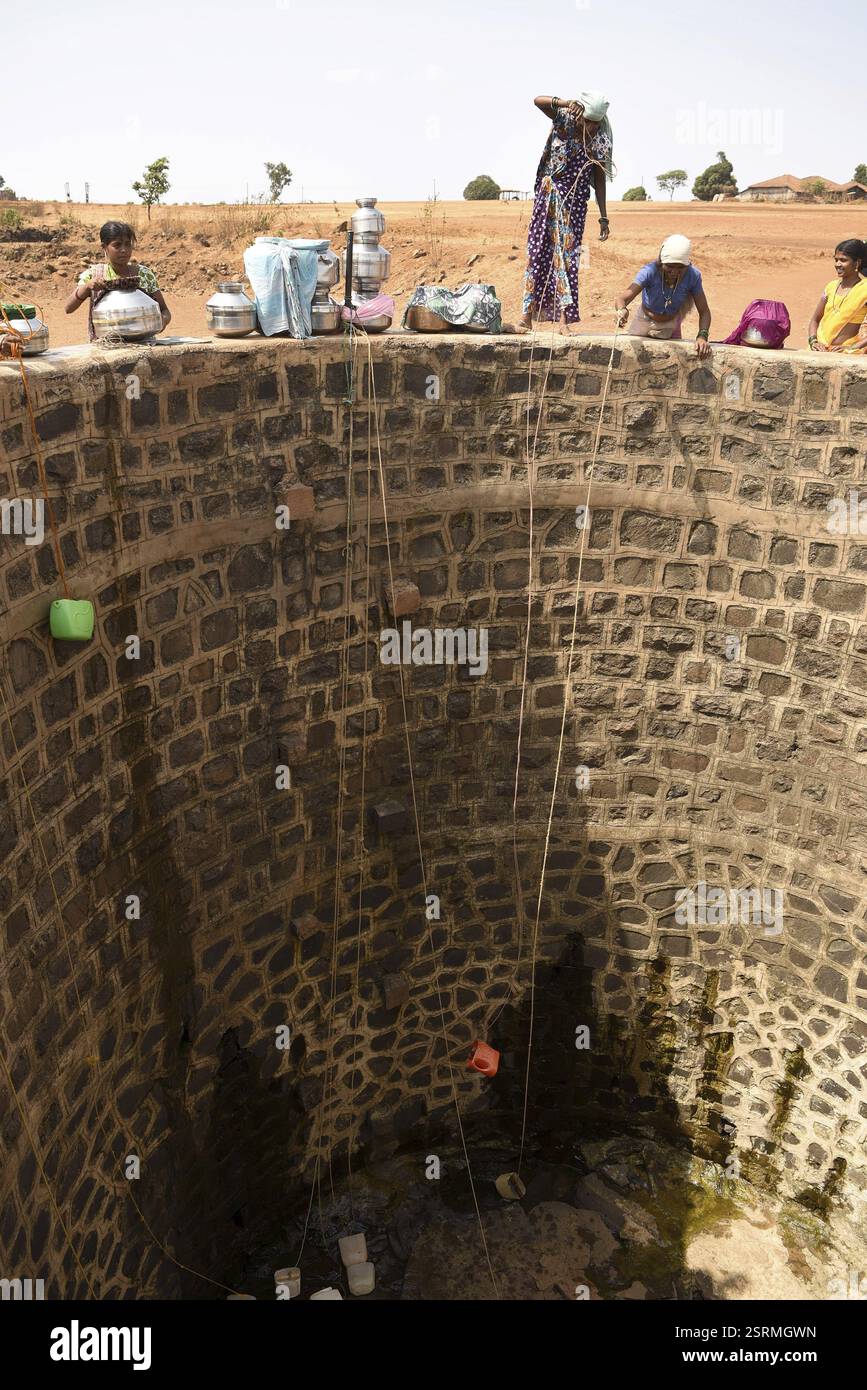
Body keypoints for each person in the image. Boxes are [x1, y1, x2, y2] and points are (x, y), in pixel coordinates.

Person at [517, 90, 613, 333]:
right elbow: (537, 100)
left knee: (569, 258)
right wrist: (565, 103)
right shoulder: (564, 120)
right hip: (547, 198)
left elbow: (599, 179)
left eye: (595, 123)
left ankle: (563, 321)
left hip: (575, 204)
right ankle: (526, 316)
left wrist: (603, 216)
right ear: (579, 114)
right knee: (538, 253)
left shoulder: (599, 140)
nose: (590, 127)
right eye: (587, 121)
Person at [65, 221, 170, 339]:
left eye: (127, 244)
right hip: (106, 349)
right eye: (117, 245)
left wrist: (161, 322)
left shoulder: (144, 274)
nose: (124, 250)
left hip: (144, 345)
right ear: (104, 247)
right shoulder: (94, 275)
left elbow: (165, 311)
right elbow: (68, 308)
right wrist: (86, 287)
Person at [614, 234, 712, 359]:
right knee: (631, 358)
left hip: (671, 324)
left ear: (687, 265)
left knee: (672, 362)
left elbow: (704, 311)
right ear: (661, 262)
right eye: (670, 267)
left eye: (680, 268)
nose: (675, 272)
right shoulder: (649, 271)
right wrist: (621, 310)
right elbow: (622, 299)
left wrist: (702, 336)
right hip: (644, 320)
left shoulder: (693, 276)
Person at [807, 240, 867, 353]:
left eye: (843, 260)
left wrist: (854, 347)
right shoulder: (831, 286)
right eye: (836, 260)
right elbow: (815, 320)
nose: (837, 264)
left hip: (847, 354)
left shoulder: (865, 288)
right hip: (820, 351)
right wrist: (813, 341)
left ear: (857, 263)